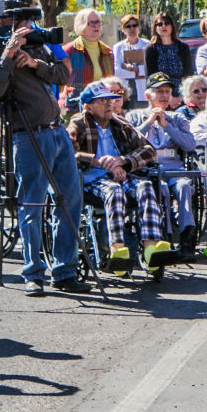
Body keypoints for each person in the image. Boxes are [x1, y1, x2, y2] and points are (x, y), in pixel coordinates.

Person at [0, 0, 89, 295]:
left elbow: (63, 74)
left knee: (71, 199)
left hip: (57, 131)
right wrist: (9, 59)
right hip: (27, 135)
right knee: (31, 205)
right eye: (18, 19)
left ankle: (64, 271)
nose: (25, 24)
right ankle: (33, 273)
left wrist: (34, 62)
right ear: (0, 22)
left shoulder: (36, 42)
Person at [67, 80, 172, 275]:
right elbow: (68, 154)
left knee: (145, 186)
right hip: (91, 179)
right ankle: (117, 248)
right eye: (102, 101)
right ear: (88, 106)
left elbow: (149, 150)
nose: (108, 104)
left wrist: (123, 161)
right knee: (114, 191)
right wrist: (98, 161)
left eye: (110, 100)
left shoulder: (120, 123)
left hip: (121, 174)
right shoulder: (78, 124)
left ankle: (150, 247)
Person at [128, 71, 199, 257]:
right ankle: (165, 236)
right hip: (147, 170)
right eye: (159, 91)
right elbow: (128, 142)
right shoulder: (134, 117)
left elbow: (190, 144)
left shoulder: (177, 118)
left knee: (184, 186)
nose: (164, 96)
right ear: (147, 96)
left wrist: (167, 125)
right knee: (162, 190)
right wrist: (149, 122)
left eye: (167, 91)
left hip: (174, 169)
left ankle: (187, 237)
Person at [62, 8, 114, 106]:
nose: (96, 26)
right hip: (76, 107)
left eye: (98, 22)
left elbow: (111, 82)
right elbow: (59, 82)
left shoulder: (108, 51)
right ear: (81, 25)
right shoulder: (68, 50)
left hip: (102, 106)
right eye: (91, 23)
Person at [144, 11, 194, 95]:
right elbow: (150, 77)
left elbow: (189, 74)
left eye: (167, 23)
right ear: (155, 28)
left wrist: (182, 95)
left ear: (172, 26)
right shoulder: (151, 50)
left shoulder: (183, 47)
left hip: (182, 92)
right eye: (160, 24)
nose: (164, 26)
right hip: (160, 93)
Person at [113, 14, 150, 103]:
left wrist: (133, 69)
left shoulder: (147, 45)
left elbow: (150, 68)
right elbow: (117, 72)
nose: (131, 28)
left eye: (134, 25)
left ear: (138, 28)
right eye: (128, 26)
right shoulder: (118, 47)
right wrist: (137, 73)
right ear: (123, 29)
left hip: (144, 89)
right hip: (125, 90)